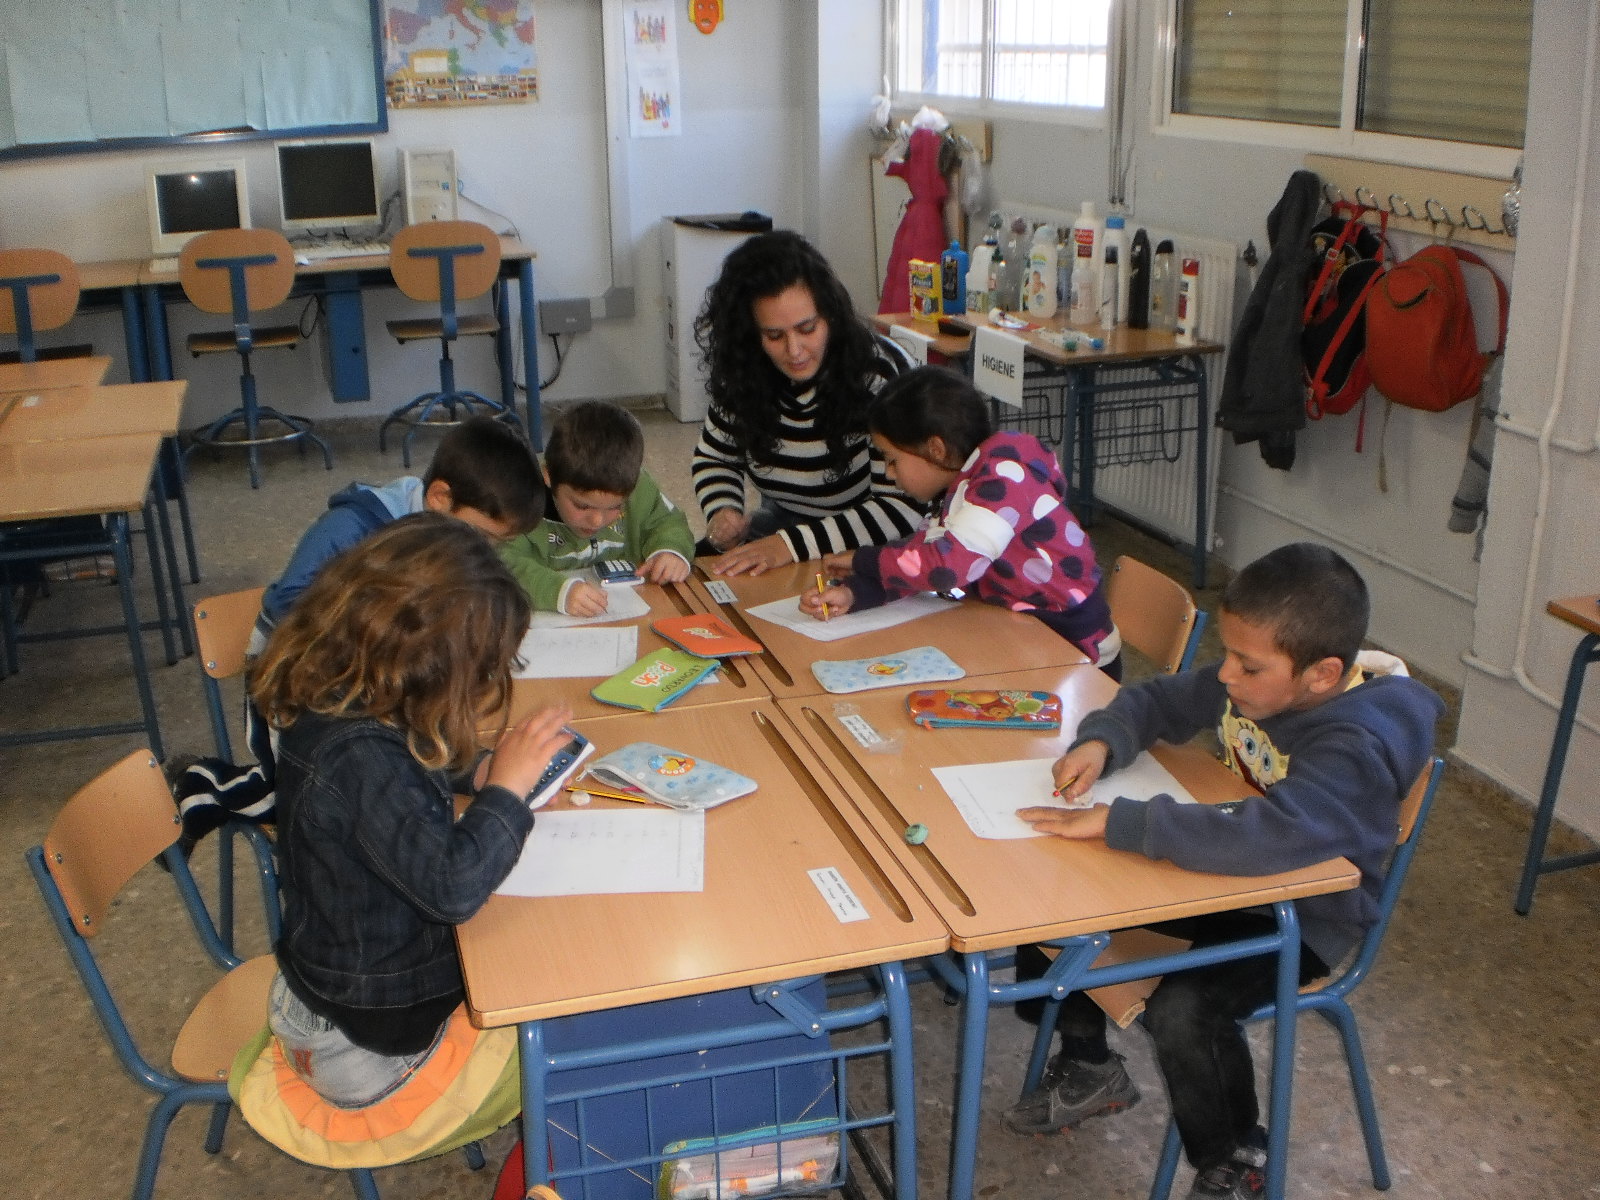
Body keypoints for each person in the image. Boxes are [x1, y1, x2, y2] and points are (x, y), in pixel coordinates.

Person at [1003, 543, 1443, 1200]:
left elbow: (1273, 836)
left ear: (1321, 675)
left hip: (1306, 915)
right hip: (1227, 876)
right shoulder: (1261, 681)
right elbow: (1155, 700)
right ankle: (1089, 1062)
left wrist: (1130, 821)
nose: (1227, 676)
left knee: (1186, 1012)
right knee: (1068, 884)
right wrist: (1102, 742)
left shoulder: (1353, 742)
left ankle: (1235, 1158)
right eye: (1230, 656)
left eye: (1247, 664)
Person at [232, 513, 572, 1159]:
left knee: (541, 963)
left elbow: (418, 756)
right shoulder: (360, 758)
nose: (484, 688)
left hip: (339, 1001)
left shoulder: (344, 692)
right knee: (575, 1029)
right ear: (426, 669)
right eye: (478, 673)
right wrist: (504, 794)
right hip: (372, 1054)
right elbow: (451, 887)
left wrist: (485, 770)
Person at [170, 415, 545, 845]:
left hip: (381, 680)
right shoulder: (353, 528)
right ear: (440, 497)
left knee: (404, 767)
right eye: (484, 536)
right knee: (313, 795)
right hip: (300, 678)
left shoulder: (442, 530)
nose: (484, 551)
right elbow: (286, 608)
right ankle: (202, 785)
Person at [800, 365, 1122, 674]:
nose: (889, 472)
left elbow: (944, 568)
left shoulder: (1003, 482)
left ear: (936, 449)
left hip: (1076, 650)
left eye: (893, 459)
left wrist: (868, 561)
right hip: (1025, 632)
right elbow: (921, 558)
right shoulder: (967, 484)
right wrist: (858, 591)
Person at [691, 229, 924, 576]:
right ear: (749, 335)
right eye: (774, 336)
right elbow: (715, 457)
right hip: (784, 522)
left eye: (807, 329)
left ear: (830, 315)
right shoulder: (743, 374)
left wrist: (788, 546)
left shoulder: (878, 374)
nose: (794, 350)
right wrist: (723, 511)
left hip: (874, 533)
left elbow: (901, 509)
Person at [500, 400, 694, 616]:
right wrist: (558, 591)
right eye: (582, 506)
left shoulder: (639, 489)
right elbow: (502, 562)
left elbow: (669, 522)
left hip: (627, 614)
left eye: (615, 507)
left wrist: (670, 551)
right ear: (549, 477)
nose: (597, 521)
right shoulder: (520, 501)